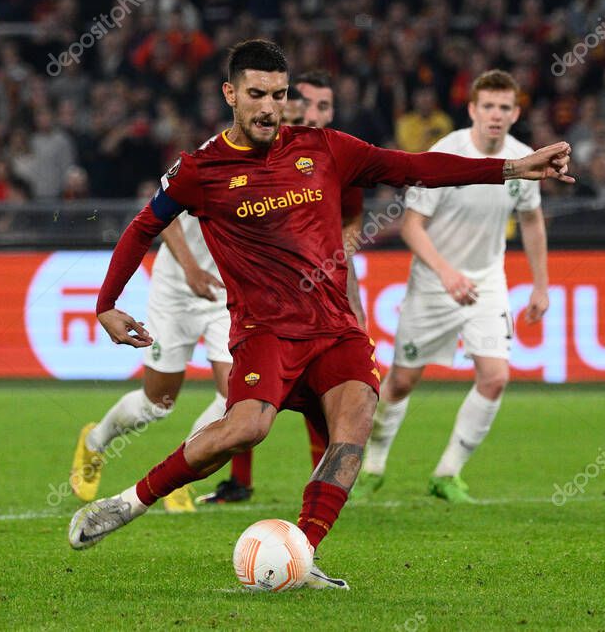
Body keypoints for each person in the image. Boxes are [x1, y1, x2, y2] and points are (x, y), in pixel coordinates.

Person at [67, 40, 572, 590]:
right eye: (256, 94)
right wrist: (107, 304)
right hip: (266, 331)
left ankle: (301, 552)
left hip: (334, 330)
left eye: (279, 96)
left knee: (354, 425)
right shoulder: (201, 169)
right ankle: (130, 501)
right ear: (230, 94)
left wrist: (515, 167)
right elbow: (144, 225)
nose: (268, 107)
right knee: (246, 429)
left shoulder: (325, 148)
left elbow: (414, 166)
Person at [353, 70, 551, 504]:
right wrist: (446, 273)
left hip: (486, 283)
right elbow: (412, 225)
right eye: (488, 107)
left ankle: (447, 473)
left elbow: (532, 219)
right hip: (433, 284)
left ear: (515, 113)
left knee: (495, 377)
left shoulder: (522, 160)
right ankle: (374, 463)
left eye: (504, 108)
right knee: (402, 382)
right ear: (472, 110)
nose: (496, 115)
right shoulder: (446, 154)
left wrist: (541, 284)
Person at [196, 69, 367, 504]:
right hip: (243, 291)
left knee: (325, 394)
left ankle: (317, 488)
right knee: (238, 399)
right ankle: (235, 479)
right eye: (306, 104)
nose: (315, 114)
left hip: (317, 296)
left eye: (325, 106)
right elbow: (166, 211)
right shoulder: (236, 153)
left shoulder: (336, 156)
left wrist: (345, 283)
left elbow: (350, 222)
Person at [69, 204, 232, 513]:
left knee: (234, 397)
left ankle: (178, 477)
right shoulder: (205, 161)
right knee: (158, 404)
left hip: (223, 293)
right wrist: (191, 268)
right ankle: (95, 442)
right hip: (175, 292)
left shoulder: (275, 168)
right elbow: (164, 214)